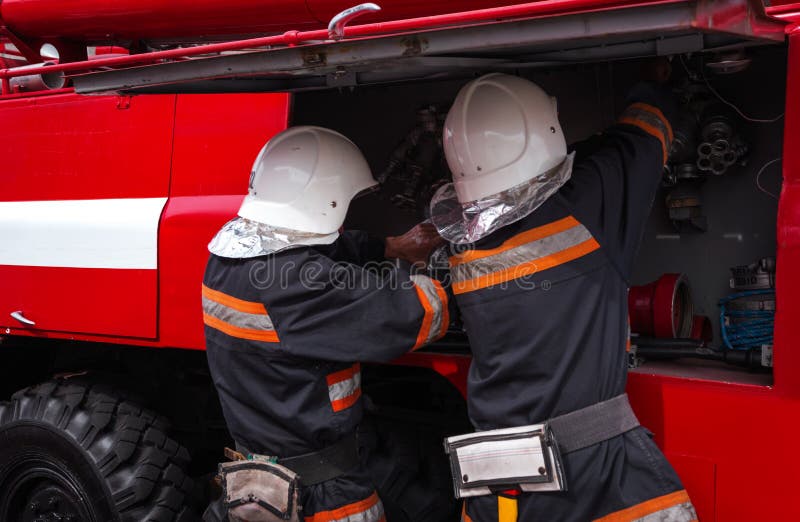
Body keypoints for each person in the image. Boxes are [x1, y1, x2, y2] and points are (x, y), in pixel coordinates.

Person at [430, 67, 698, 521]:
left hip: (494, 488)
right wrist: (659, 79)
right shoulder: (585, 204)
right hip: (592, 478)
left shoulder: (463, 244)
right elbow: (642, 137)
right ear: (547, 133)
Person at [202, 126, 447, 522]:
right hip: (324, 494)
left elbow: (319, 246)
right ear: (327, 200)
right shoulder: (303, 282)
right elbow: (411, 316)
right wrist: (456, 271)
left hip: (262, 482)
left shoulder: (227, 258)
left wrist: (389, 246)